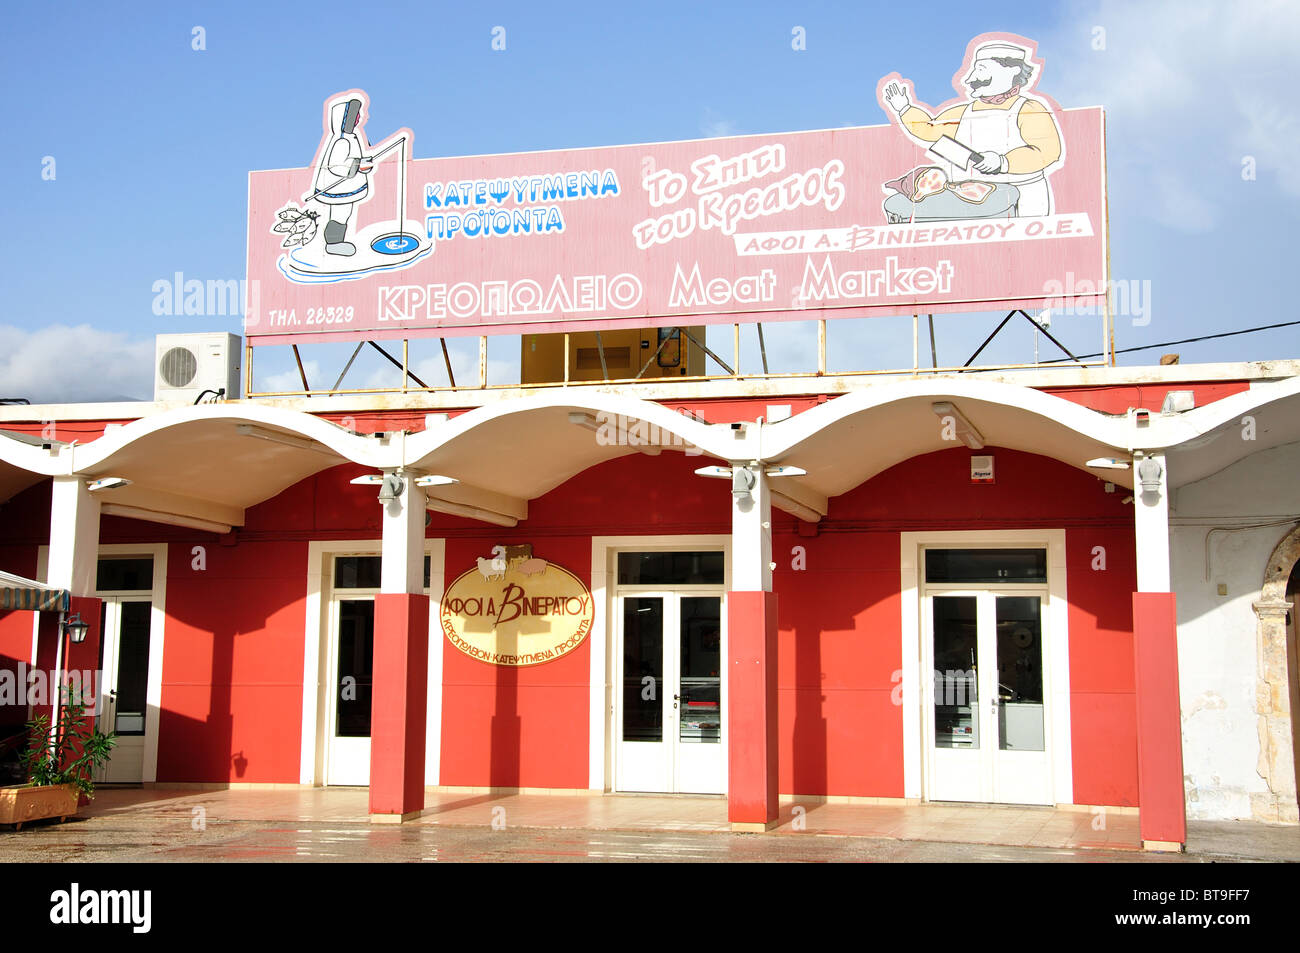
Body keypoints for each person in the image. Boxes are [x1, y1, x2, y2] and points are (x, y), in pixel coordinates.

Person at [884, 42, 1062, 216]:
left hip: (1023, 195)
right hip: (970, 201)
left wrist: (1004, 162)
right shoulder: (963, 112)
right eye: (975, 69)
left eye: (983, 69)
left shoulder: (1028, 108)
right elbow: (929, 130)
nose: (972, 77)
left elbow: (1047, 151)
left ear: (1013, 70)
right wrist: (905, 109)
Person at [312, 98, 374, 256]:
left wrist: (362, 164)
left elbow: (357, 160)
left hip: (347, 186)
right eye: (355, 115)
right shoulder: (341, 141)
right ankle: (333, 243)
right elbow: (337, 165)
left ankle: (337, 241)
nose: (359, 118)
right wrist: (357, 166)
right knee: (340, 214)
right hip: (338, 187)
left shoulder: (352, 138)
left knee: (345, 213)